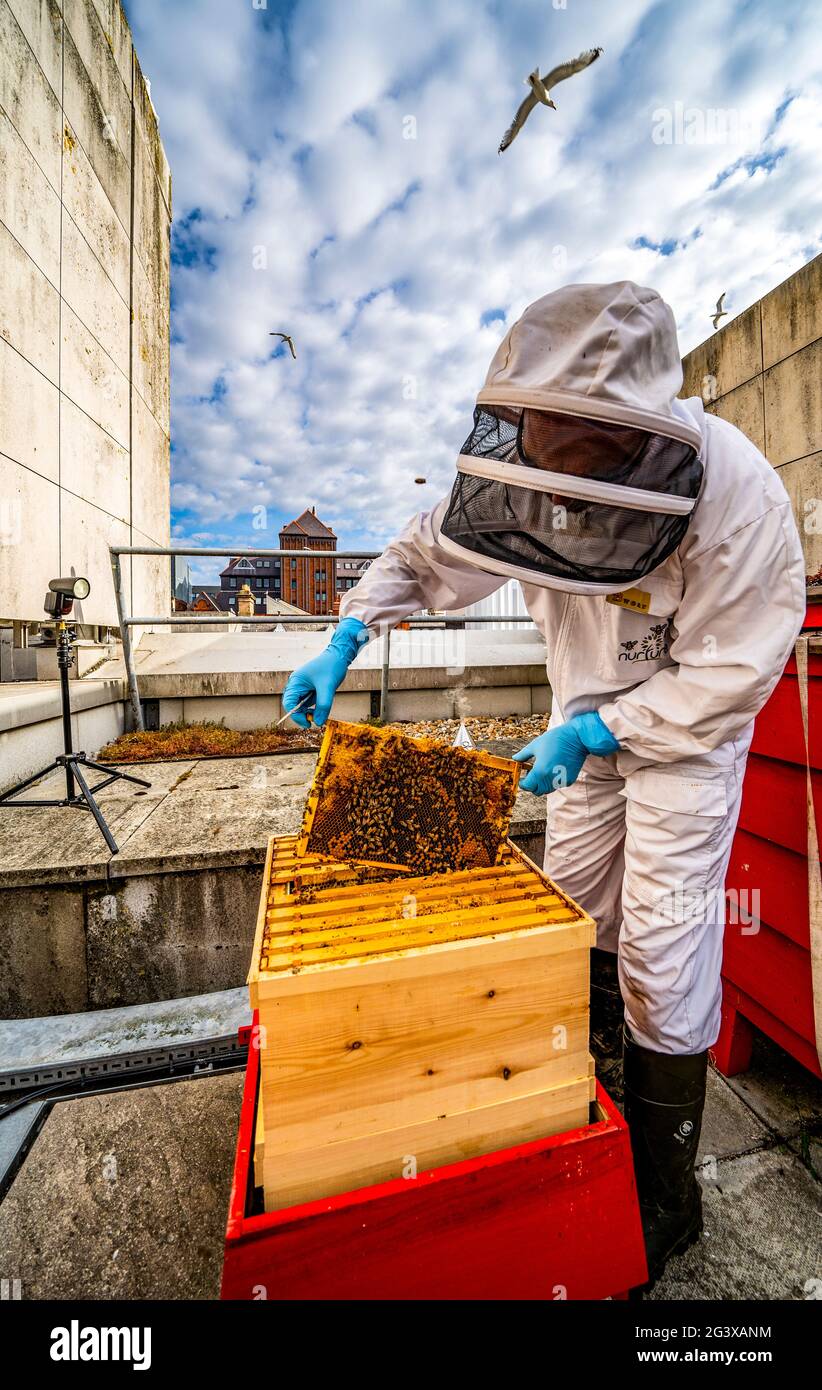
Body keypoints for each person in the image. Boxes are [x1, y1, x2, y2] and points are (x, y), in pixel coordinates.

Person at [282, 281, 805, 1287]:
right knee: (571, 900)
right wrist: (348, 632)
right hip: (581, 724)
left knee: (661, 938)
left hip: (684, 739)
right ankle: (594, 1060)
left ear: (637, 437)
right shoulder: (518, 472)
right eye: (546, 445)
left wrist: (613, 724)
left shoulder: (741, 498)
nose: (559, 477)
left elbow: (737, 669)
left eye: (585, 458)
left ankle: (665, 1197)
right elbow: (428, 547)